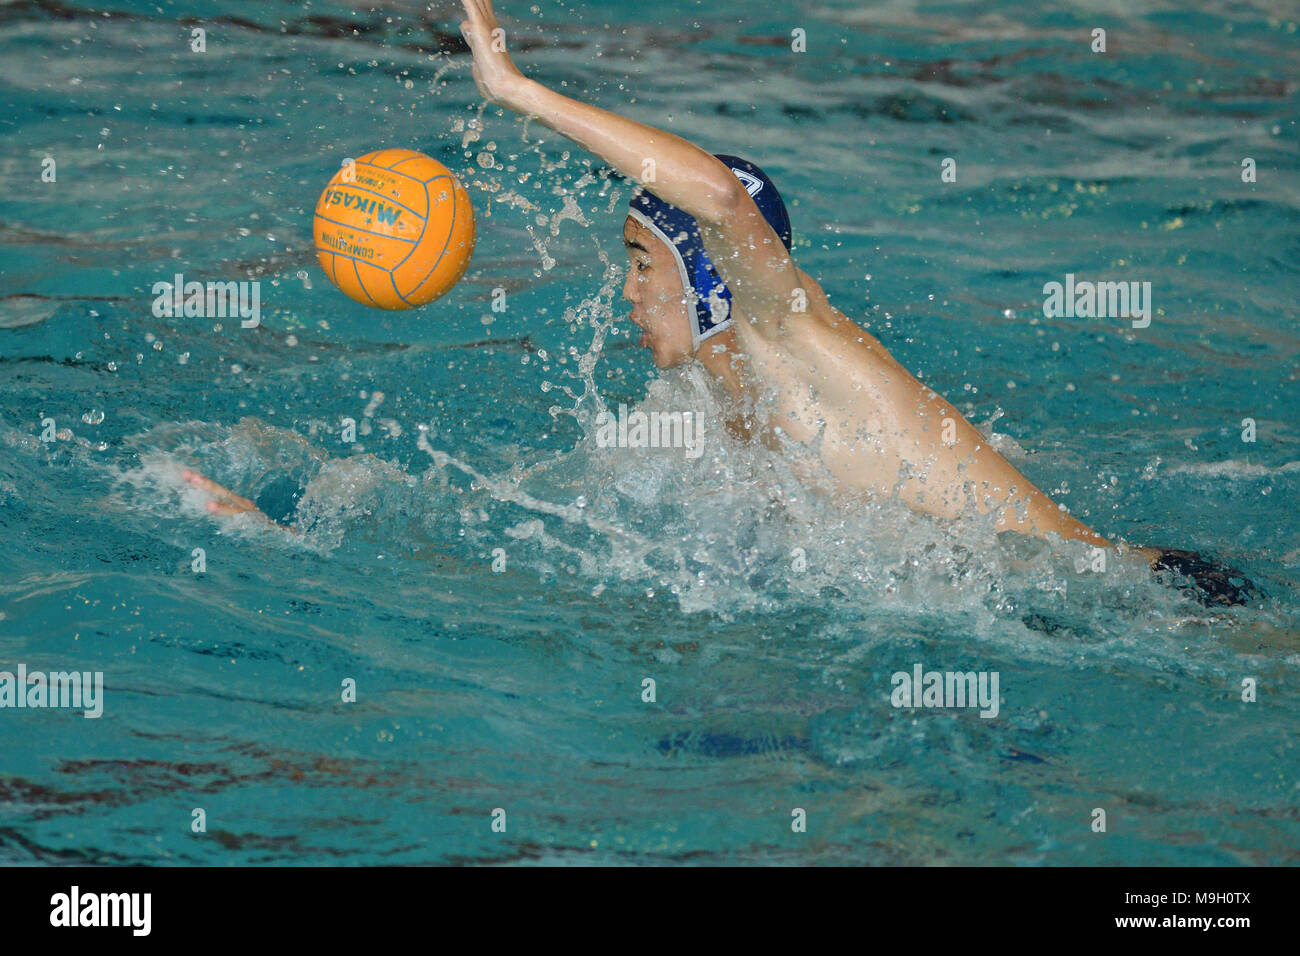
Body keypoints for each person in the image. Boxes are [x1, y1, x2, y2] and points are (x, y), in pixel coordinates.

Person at [185, 0, 1258, 608]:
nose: (626, 288)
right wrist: (303, 527)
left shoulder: (789, 334)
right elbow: (525, 524)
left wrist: (514, 91)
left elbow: (706, 190)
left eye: (643, 261)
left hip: (1146, 603)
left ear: (708, 273)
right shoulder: (707, 396)